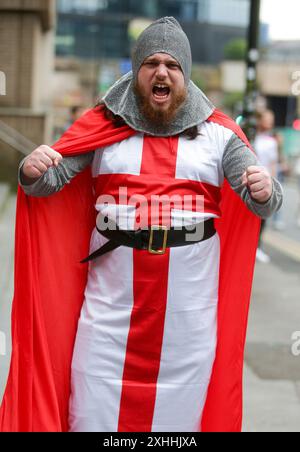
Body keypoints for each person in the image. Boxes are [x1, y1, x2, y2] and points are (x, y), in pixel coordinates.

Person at [0, 17, 283, 432]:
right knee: (93, 419)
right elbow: (47, 183)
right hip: (108, 319)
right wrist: (31, 170)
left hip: (188, 322)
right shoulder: (102, 127)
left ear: (184, 74)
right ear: (137, 72)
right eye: (151, 62)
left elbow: (264, 202)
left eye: (172, 64)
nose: (161, 72)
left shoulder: (220, 136)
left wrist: (263, 190)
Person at [254, 110, 281, 263]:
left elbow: (272, 164)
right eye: (267, 118)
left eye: (272, 119)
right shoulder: (252, 137)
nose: (270, 121)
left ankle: (258, 247)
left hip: (265, 183)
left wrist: (273, 185)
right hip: (250, 180)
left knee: (262, 218)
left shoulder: (272, 142)